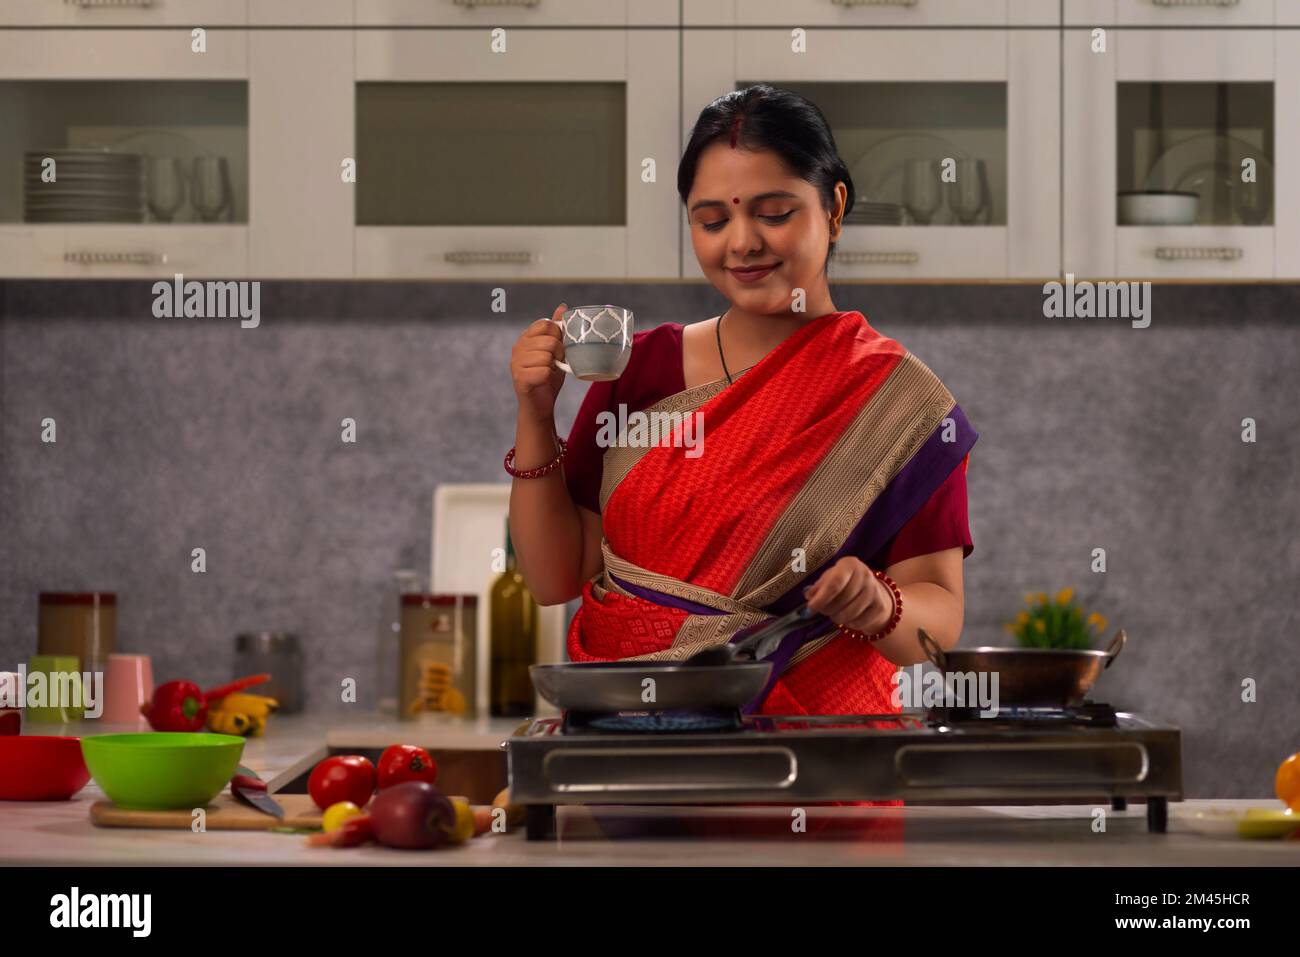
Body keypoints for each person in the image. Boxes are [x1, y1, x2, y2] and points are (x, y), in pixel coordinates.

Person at [506, 83, 977, 719]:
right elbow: (555, 577)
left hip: (810, 752)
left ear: (834, 209)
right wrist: (536, 414)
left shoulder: (897, 403)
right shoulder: (641, 369)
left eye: (774, 212)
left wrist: (882, 604)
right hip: (624, 742)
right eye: (713, 220)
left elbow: (940, 615)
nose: (742, 243)